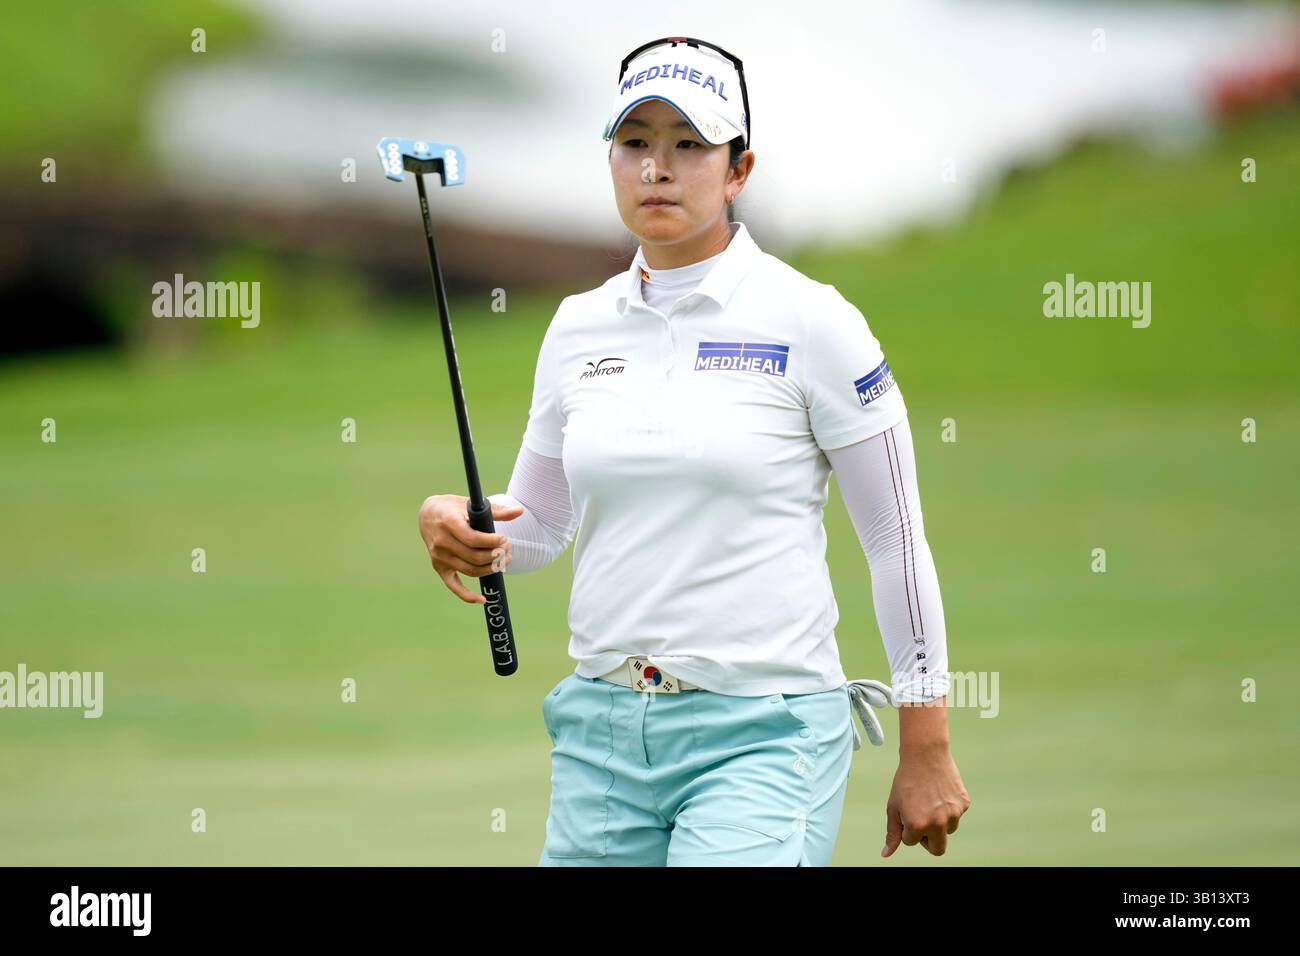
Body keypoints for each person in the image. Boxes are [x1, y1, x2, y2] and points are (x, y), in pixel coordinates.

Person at [417, 36, 970, 866]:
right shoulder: (577, 327)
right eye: (635, 143)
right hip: (602, 733)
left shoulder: (814, 321)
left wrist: (924, 744)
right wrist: (461, 523)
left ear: (739, 170)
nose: (657, 169)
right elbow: (536, 528)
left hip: (764, 735)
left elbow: (895, 540)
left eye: (689, 146)